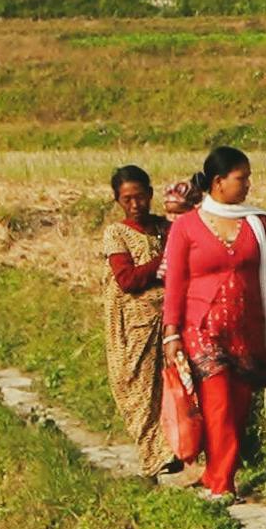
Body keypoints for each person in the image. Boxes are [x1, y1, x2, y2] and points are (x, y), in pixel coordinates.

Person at [158, 144, 266, 499]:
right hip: (202, 327)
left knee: (237, 407)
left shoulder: (257, 223)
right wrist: (171, 332)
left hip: (246, 326)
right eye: (242, 178)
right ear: (219, 182)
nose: (248, 184)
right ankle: (222, 485)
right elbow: (176, 282)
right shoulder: (187, 227)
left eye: (249, 177)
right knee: (219, 401)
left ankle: (214, 473)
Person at [100, 164, 187, 475]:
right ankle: (156, 456)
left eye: (140, 197)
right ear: (118, 201)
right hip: (135, 324)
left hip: (175, 317)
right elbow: (127, 279)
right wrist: (164, 263)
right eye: (127, 200)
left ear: (150, 195)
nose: (135, 205)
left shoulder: (168, 228)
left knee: (179, 384)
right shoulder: (117, 234)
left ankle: (184, 448)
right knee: (141, 388)